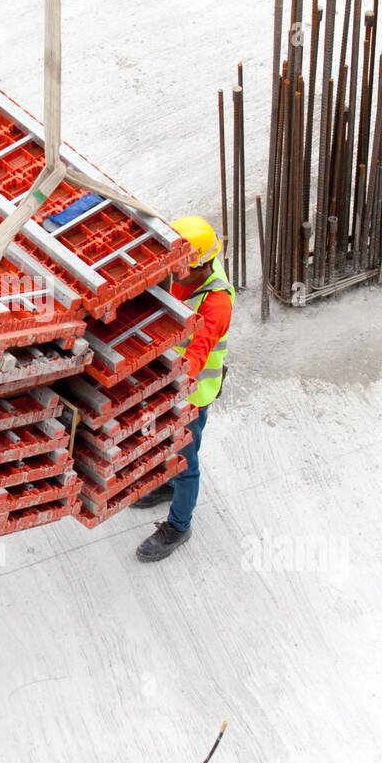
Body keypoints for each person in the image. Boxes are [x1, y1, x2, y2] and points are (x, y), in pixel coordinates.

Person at [132, 216, 234, 562]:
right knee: (169, 450)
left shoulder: (215, 304)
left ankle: (179, 525)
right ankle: (168, 484)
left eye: (181, 268)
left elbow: (194, 358)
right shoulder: (192, 267)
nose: (175, 274)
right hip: (174, 387)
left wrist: (150, 373)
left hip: (192, 394)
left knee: (185, 460)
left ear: (202, 266)